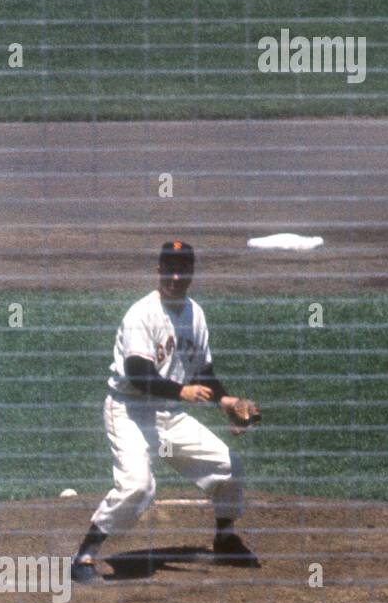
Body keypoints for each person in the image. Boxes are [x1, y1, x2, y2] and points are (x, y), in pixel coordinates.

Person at [71, 238, 260, 583]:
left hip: (169, 415)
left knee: (228, 466)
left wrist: (227, 401)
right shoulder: (141, 314)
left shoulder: (195, 314)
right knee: (138, 486)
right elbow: (138, 373)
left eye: (182, 269)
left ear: (191, 272)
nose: (175, 276)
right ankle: (85, 555)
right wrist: (181, 391)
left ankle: (225, 537)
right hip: (129, 411)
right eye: (169, 269)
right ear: (158, 270)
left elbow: (203, 371)